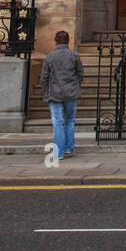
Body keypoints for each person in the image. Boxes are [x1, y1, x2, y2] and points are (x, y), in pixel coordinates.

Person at [40, 30, 84, 160]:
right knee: (70, 121)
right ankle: (69, 148)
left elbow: (44, 78)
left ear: (55, 42)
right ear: (68, 41)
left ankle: (58, 153)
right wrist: (76, 86)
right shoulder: (74, 55)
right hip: (70, 93)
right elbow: (80, 73)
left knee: (58, 123)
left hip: (55, 93)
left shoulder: (49, 57)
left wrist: (47, 91)